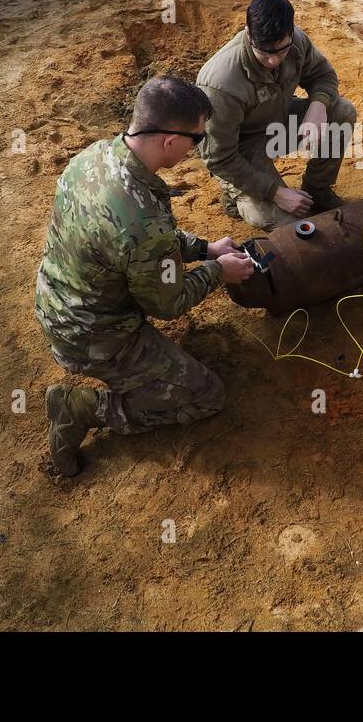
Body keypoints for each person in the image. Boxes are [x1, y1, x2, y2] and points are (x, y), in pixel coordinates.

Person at [34, 75, 255, 476]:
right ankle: (81, 407)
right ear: (170, 141)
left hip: (56, 300)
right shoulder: (142, 222)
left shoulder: (95, 155)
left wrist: (204, 248)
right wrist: (217, 271)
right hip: (94, 335)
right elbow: (167, 303)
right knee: (206, 396)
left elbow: (146, 242)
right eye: (197, 139)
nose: (196, 148)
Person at [196, 0, 358, 229]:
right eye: (265, 54)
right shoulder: (220, 83)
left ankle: (317, 189)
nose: (274, 61)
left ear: (290, 33)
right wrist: (275, 193)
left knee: (342, 112)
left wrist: (318, 106)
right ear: (248, 33)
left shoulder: (296, 42)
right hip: (240, 149)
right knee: (286, 223)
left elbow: (323, 75)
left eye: (281, 52)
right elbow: (220, 158)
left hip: (277, 121)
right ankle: (235, 195)